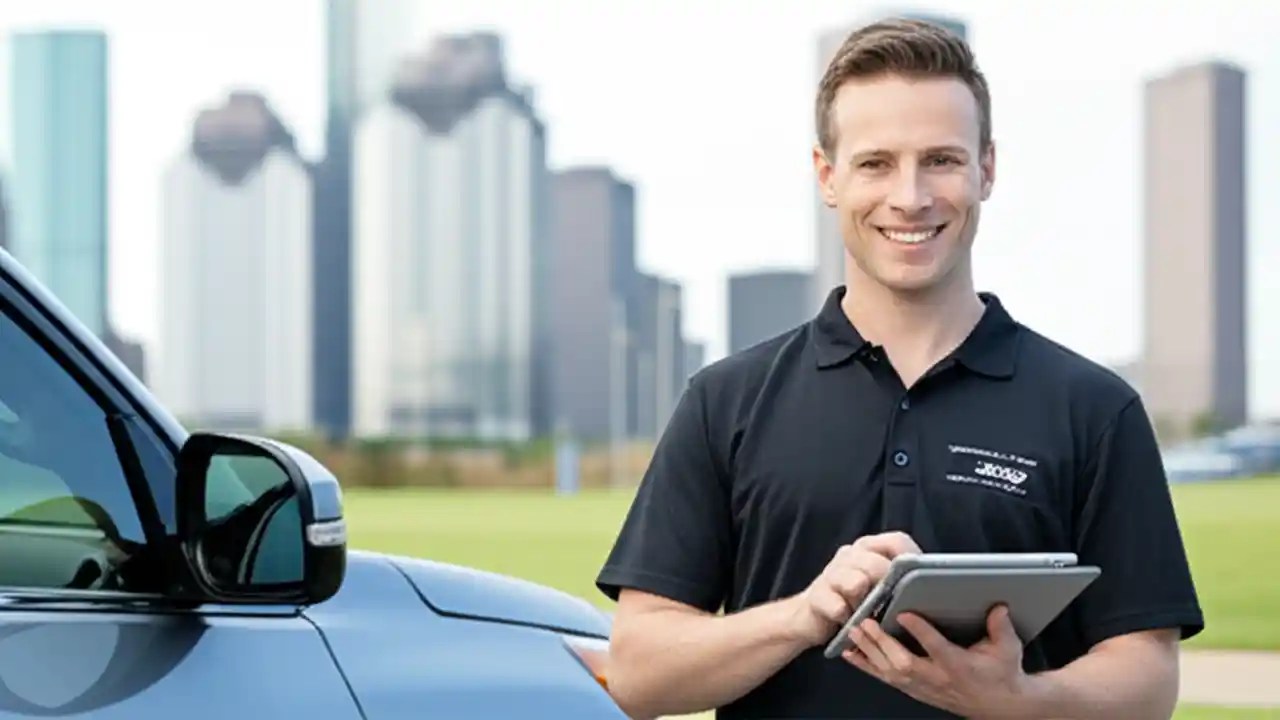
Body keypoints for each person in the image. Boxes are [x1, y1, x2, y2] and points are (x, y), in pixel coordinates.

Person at [595, 17, 1204, 720]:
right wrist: (803, 615)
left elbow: (1149, 678)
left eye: (941, 160)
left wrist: (1019, 700)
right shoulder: (725, 401)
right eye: (876, 162)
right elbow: (638, 674)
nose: (910, 197)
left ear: (987, 169)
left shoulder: (1094, 409)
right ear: (828, 176)